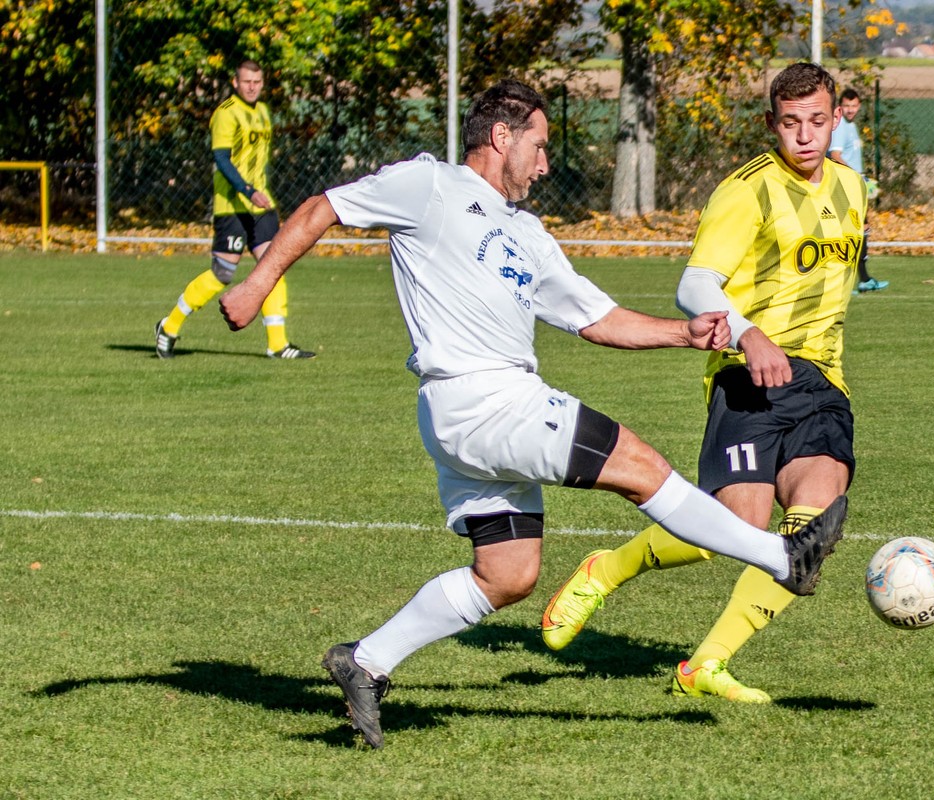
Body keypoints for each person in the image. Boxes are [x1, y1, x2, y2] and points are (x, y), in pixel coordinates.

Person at [217, 79, 846, 748]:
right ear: (501, 138)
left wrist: (680, 333)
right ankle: (780, 557)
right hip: (483, 398)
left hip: (473, 414)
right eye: (540, 147)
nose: (546, 163)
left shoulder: (528, 232)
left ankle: (366, 661)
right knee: (638, 464)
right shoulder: (430, 186)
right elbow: (324, 206)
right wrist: (258, 284)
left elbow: (596, 319)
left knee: (508, 574)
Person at [541, 62, 863, 703]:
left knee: (813, 530)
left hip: (822, 382)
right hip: (748, 374)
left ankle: (706, 666)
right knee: (732, 524)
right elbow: (694, 285)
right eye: (791, 123)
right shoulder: (746, 191)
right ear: (771, 124)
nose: (805, 135)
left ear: (836, 121)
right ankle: (606, 569)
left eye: (817, 121)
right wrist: (747, 333)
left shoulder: (853, 186)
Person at [154, 60, 314, 360]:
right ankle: (169, 325)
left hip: (262, 205)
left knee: (273, 266)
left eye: (257, 81)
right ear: (235, 82)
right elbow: (222, 160)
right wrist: (248, 191)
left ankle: (278, 344)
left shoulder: (264, 112)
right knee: (222, 274)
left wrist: (260, 193)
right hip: (233, 205)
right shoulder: (226, 113)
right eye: (246, 81)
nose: (252, 86)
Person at [827, 87, 887, 294]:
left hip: (855, 182)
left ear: (859, 106)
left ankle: (863, 278)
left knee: (861, 228)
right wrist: (857, 176)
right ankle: (857, 279)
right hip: (847, 183)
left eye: (854, 106)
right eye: (846, 106)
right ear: (840, 107)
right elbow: (834, 155)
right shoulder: (841, 125)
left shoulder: (851, 125)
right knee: (856, 228)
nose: (850, 110)